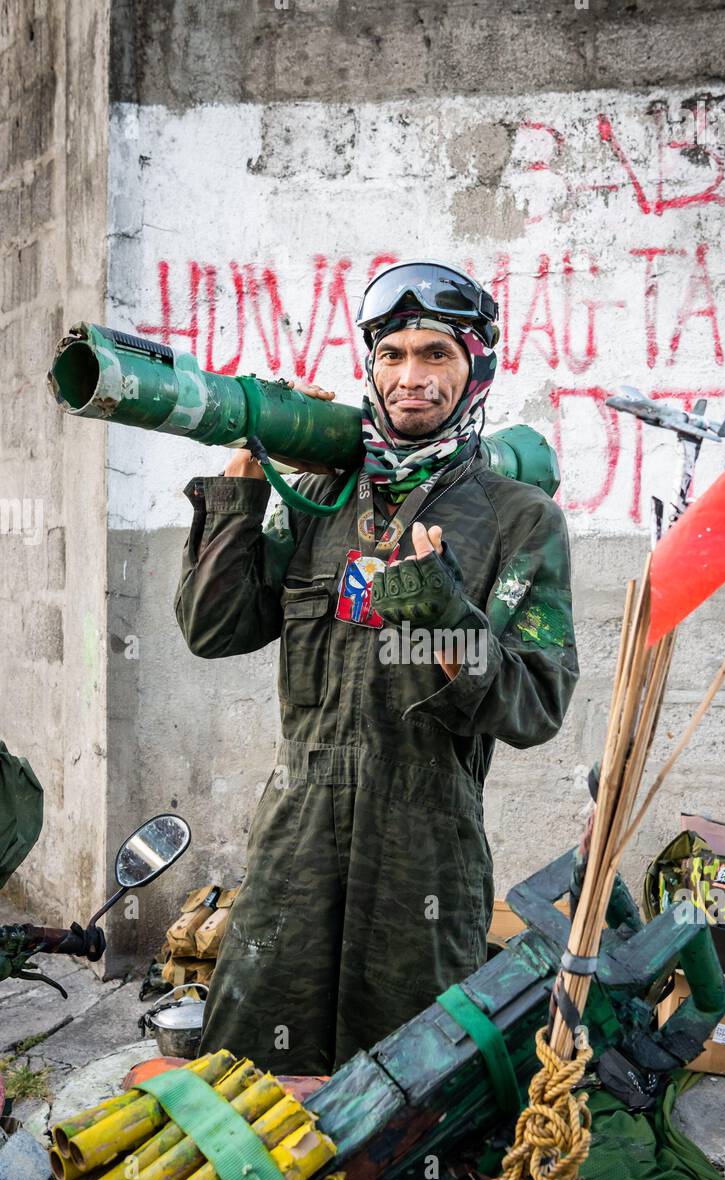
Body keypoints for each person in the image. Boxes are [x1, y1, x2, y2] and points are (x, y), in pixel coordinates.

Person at [175, 261, 578, 1074]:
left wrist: (443, 616)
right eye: (392, 356)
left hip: (425, 850)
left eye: (436, 355)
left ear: (477, 370)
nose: (411, 378)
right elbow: (214, 630)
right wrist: (240, 492)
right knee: (252, 1073)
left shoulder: (519, 519)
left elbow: (535, 707)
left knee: (413, 1087)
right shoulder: (321, 500)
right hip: (295, 839)